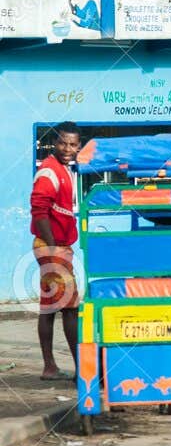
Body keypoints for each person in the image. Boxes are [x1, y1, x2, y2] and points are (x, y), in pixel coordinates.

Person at [30, 122, 81, 381]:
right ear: (54, 143)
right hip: (51, 247)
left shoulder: (65, 170)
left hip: (57, 247)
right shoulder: (50, 171)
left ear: (79, 146)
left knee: (50, 308)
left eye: (73, 144)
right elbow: (39, 211)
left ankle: (50, 367)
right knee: (70, 308)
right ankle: (81, 369)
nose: (67, 148)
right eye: (63, 143)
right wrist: (53, 249)